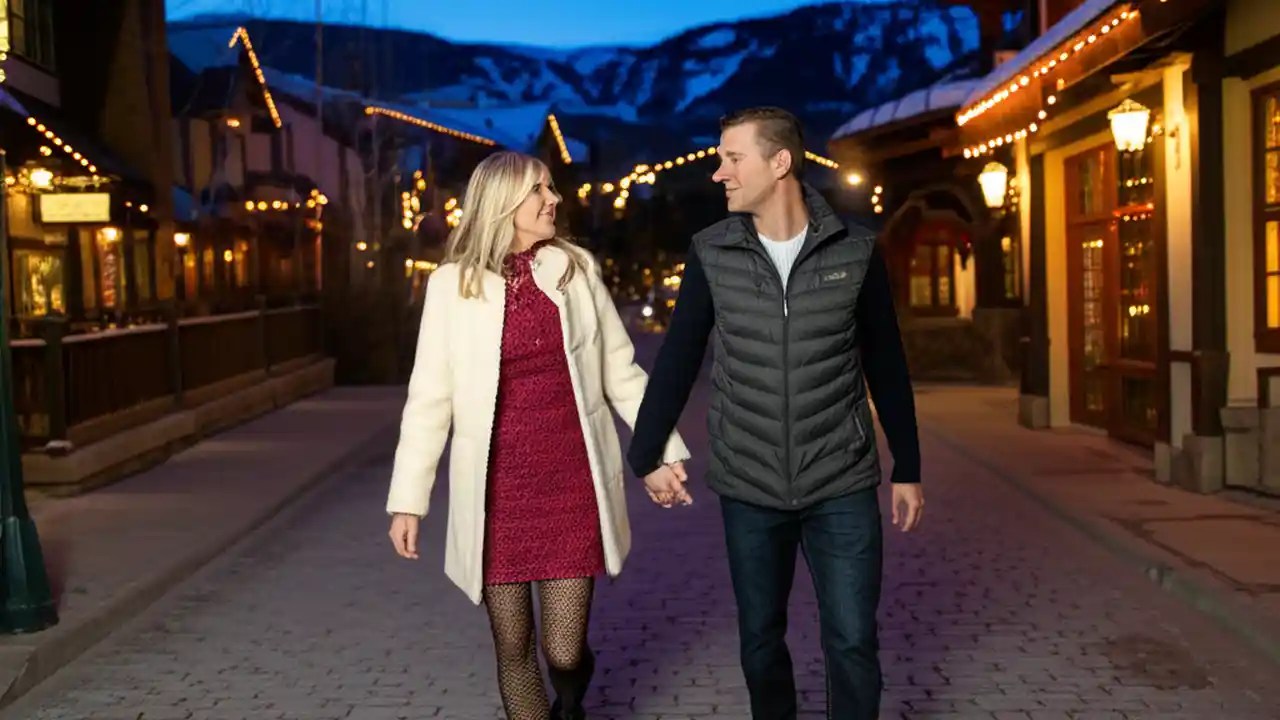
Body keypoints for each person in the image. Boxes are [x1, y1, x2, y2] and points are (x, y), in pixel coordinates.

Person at [627, 107, 924, 720]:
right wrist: (645, 452)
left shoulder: (856, 251)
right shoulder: (712, 253)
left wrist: (908, 468)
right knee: (761, 644)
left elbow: (886, 364)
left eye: (733, 158)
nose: (719, 173)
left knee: (851, 641)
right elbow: (680, 357)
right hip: (751, 483)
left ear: (779, 162)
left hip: (840, 482)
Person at [385, 151, 692, 720]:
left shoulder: (574, 269)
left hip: (571, 480)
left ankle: (571, 695)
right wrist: (409, 502)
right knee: (514, 646)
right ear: (503, 203)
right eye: (540, 191)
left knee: (564, 648)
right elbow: (429, 399)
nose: (555, 199)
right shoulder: (452, 286)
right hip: (494, 491)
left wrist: (662, 450)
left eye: (551, 188)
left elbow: (620, 372)